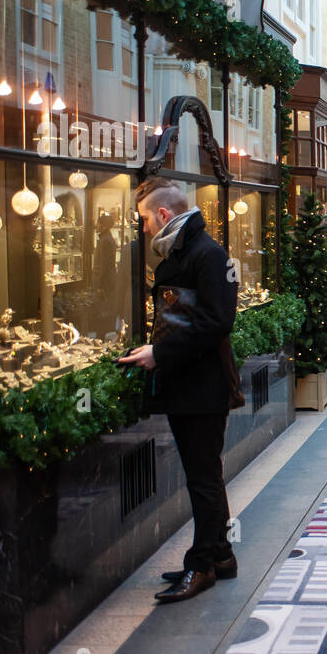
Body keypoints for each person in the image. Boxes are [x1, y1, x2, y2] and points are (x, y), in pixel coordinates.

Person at [119, 177, 238, 603]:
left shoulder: (206, 255)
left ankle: (201, 565)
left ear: (164, 215)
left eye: (146, 220)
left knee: (203, 478)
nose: (145, 229)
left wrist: (161, 353)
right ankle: (221, 556)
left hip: (202, 387)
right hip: (188, 384)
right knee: (204, 475)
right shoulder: (185, 252)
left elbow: (217, 323)